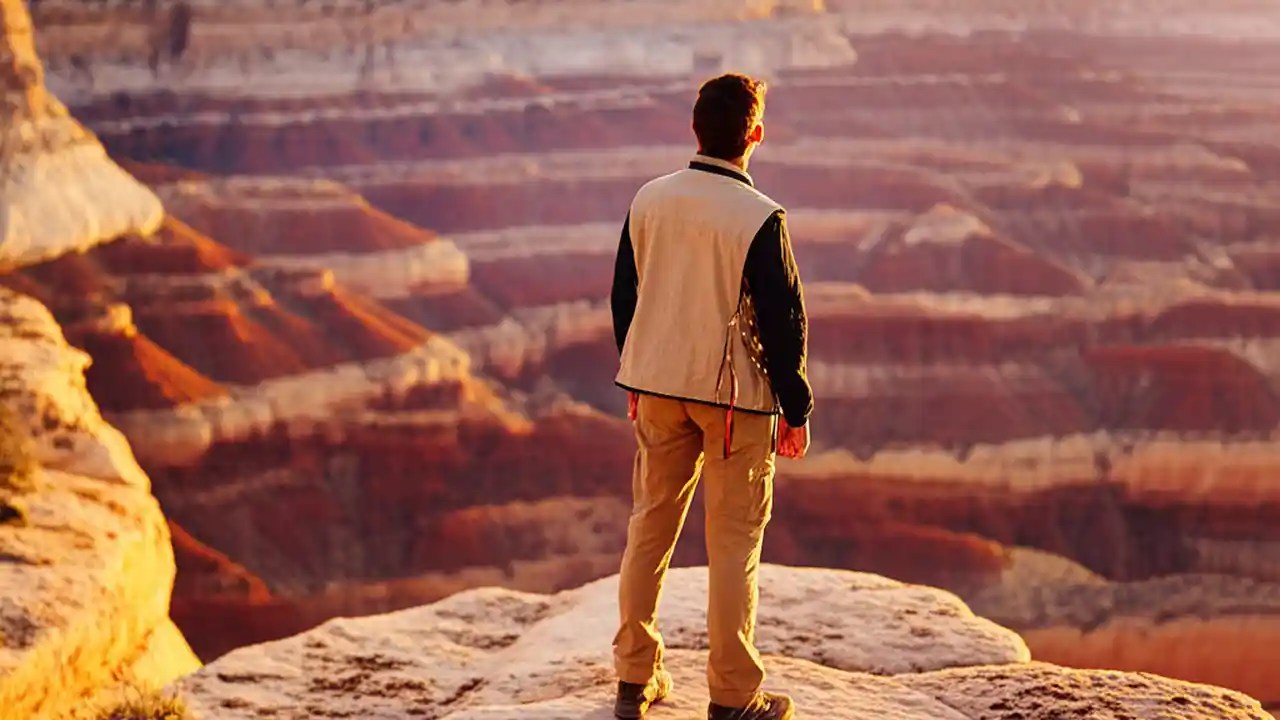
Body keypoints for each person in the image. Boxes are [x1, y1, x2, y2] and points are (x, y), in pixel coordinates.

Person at [609, 73, 813, 720]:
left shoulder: (649, 199)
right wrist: (796, 407)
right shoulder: (759, 217)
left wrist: (638, 372)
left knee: (649, 529)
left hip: (659, 388)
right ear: (754, 134)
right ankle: (731, 698)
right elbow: (785, 320)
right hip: (734, 405)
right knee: (732, 546)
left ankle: (633, 682)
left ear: (695, 128)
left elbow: (625, 297)